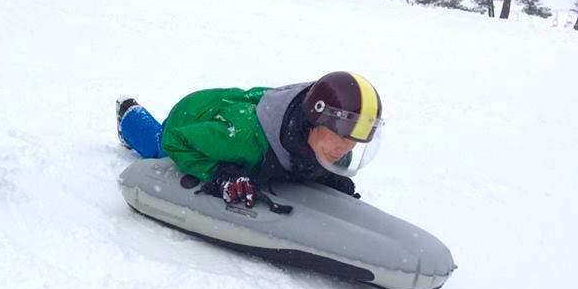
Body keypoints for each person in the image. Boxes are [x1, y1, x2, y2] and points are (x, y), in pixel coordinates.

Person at [116, 72, 383, 206]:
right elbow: (176, 140)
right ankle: (128, 114)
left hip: (236, 109)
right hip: (196, 116)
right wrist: (219, 172)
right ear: (314, 120)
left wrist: (324, 175)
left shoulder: (333, 144)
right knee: (159, 147)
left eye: (354, 141)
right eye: (340, 136)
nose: (345, 148)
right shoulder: (242, 138)